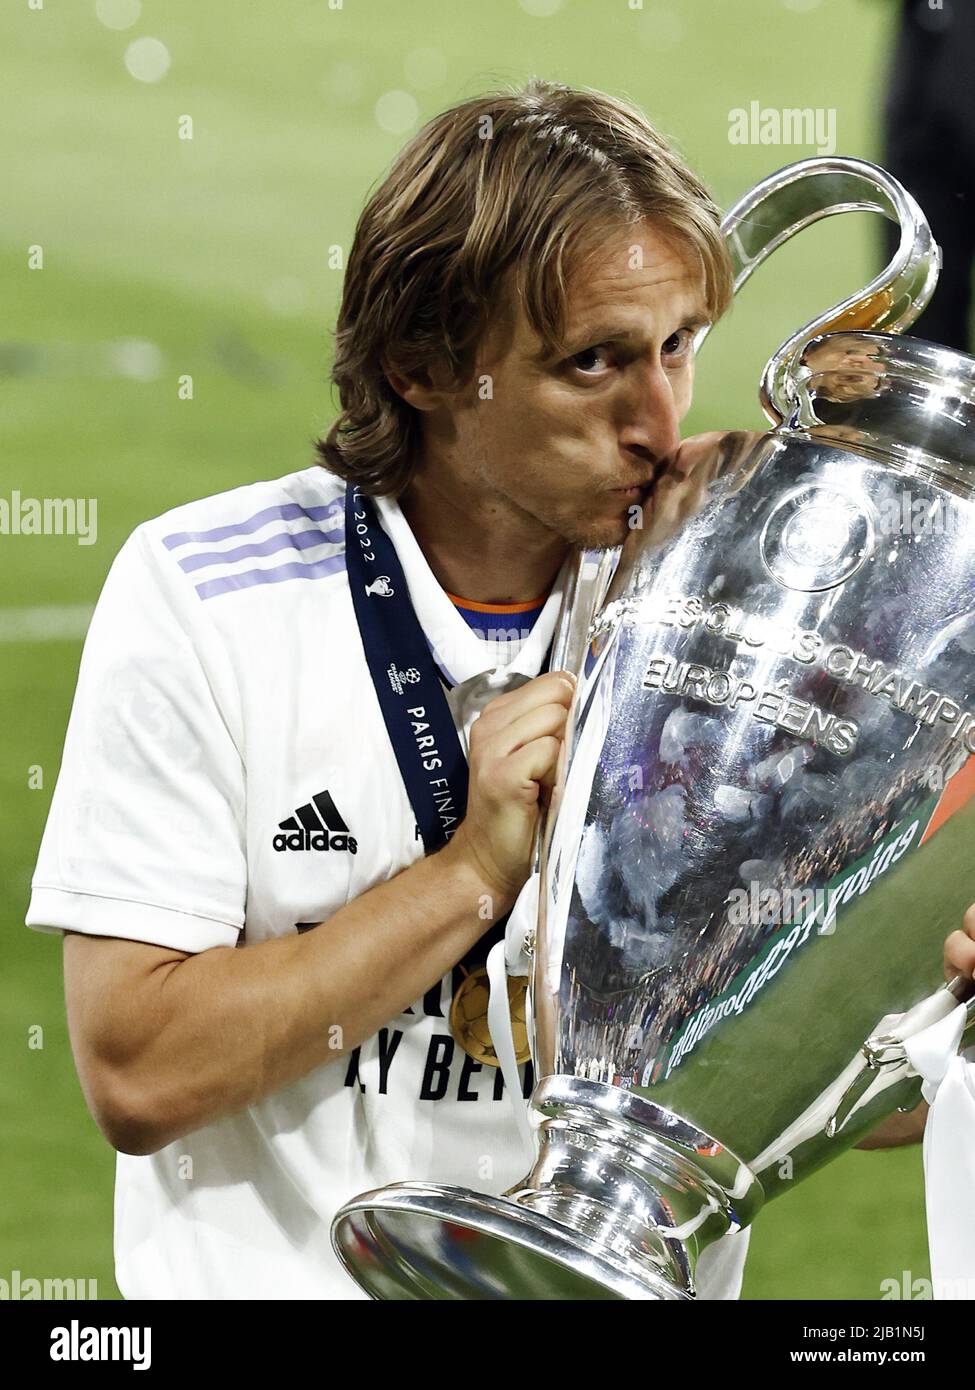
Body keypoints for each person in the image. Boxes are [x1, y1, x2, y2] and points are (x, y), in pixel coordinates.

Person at [25, 77, 972, 1302]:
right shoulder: (208, 596)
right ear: (424, 364)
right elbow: (140, 1073)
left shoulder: (760, 612)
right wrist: (473, 873)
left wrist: (926, 1016)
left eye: (679, 345)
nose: (660, 416)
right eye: (593, 364)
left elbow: (773, 1071)